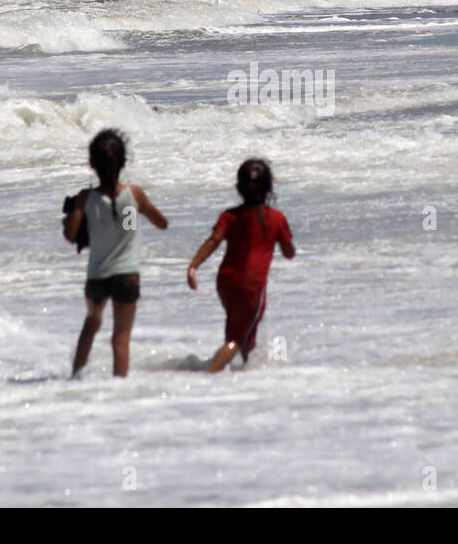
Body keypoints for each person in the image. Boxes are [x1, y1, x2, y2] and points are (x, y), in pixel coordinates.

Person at [64, 129, 168, 378]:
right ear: (123, 162)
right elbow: (162, 223)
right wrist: (133, 212)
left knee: (91, 323)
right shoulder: (134, 195)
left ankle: (75, 377)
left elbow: (70, 235)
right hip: (127, 276)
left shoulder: (85, 198)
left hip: (97, 275)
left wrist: (80, 213)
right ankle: (119, 389)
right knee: (120, 339)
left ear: (92, 164)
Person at [186, 159, 295, 373]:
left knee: (244, 331)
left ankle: (247, 375)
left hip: (226, 283)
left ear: (239, 188)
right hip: (251, 287)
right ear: (269, 188)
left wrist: (194, 266)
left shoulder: (229, 216)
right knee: (236, 339)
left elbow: (213, 241)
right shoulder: (276, 219)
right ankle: (206, 378)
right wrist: (286, 242)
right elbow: (288, 253)